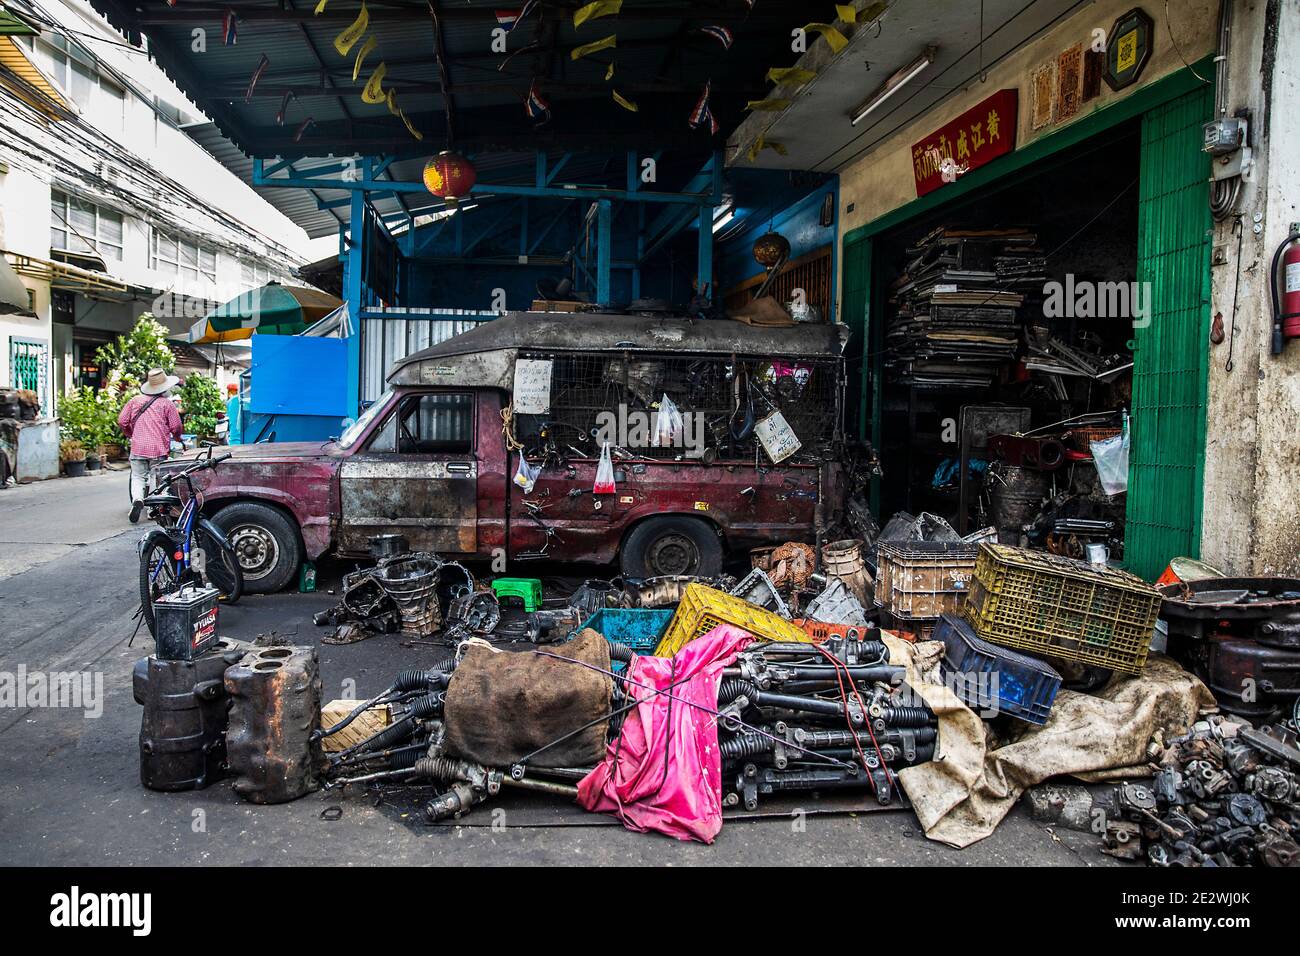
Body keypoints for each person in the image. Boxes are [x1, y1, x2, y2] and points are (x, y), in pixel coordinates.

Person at [119, 368, 183, 523]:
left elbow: (122, 421)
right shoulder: (167, 404)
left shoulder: (134, 401)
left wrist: (130, 434)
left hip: (138, 447)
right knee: (156, 477)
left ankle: (137, 499)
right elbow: (176, 426)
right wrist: (177, 437)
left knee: (138, 476)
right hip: (158, 448)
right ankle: (152, 509)